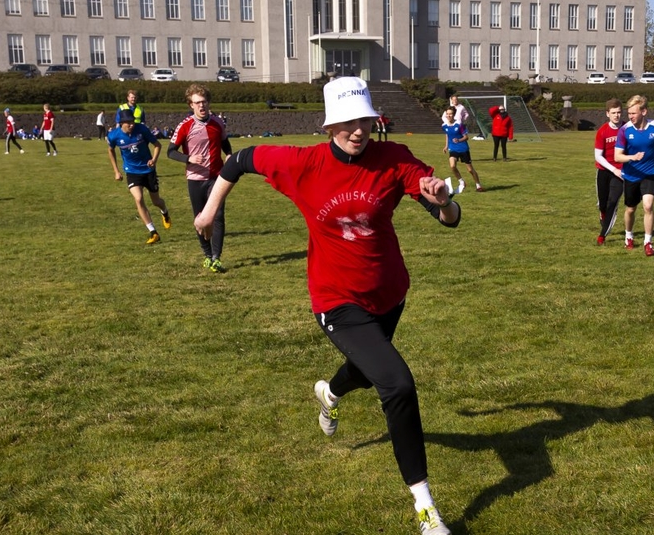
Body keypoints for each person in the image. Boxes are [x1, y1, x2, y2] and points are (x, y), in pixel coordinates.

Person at [191, 77, 460, 535]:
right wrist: (210, 210)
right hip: (336, 299)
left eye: (365, 121)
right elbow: (237, 161)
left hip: (389, 292)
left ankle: (330, 394)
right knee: (396, 383)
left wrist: (445, 201)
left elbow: (447, 216)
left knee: (366, 370)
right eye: (348, 122)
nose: (358, 131)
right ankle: (426, 509)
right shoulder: (302, 163)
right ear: (330, 123)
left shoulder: (393, 158)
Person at [167, 83, 233, 272]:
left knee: (218, 215)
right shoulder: (185, 126)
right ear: (191, 105)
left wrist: (228, 154)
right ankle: (206, 255)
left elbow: (225, 143)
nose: (201, 106)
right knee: (201, 219)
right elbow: (170, 152)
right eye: (197, 103)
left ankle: (216, 257)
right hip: (195, 178)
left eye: (204, 102)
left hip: (218, 177)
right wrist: (189, 158)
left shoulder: (217, 122)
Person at [613, 95, 654, 257]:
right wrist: (632, 157)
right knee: (630, 209)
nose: (630, 117)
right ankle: (629, 235)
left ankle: (648, 242)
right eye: (629, 113)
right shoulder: (625, 130)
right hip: (631, 175)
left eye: (633, 113)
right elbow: (617, 156)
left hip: (650, 173)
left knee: (648, 206)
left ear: (644, 111)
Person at [105, 109, 170, 244]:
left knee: (156, 201)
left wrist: (154, 160)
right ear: (121, 123)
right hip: (132, 172)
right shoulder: (114, 136)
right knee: (139, 199)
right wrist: (116, 171)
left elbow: (158, 145)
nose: (131, 125)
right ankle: (153, 232)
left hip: (148, 170)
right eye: (128, 123)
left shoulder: (142, 130)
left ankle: (164, 211)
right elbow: (110, 150)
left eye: (133, 122)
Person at [591, 99, 627, 245]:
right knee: (603, 203)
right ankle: (602, 212)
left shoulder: (627, 128)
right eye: (613, 113)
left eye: (619, 112)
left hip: (621, 172)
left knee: (613, 201)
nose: (616, 115)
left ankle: (602, 235)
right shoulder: (602, 131)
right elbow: (598, 156)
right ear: (607, 114)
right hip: (604, 170)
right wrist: (613, 169)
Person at [441, 109, 482, 193]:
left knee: (470, 170)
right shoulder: (444, 125)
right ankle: (462, 182)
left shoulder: (459, 124)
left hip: (463, 149)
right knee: (452, 166)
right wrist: (446, 146)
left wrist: (459, 140)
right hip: (453, 149)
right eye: (447, 114)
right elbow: (447, 135)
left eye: (450, 114)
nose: (449, 116)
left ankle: (478, 185)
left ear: (454, 115)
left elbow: (466, 137)